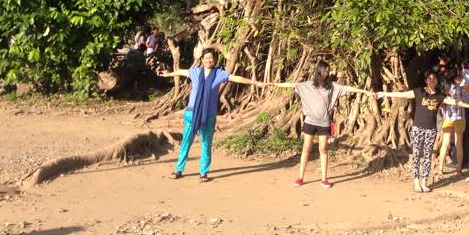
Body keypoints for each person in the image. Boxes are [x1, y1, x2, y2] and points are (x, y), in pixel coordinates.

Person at [259, 61, 374, 188]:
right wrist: (272, 84)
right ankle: (300, 177)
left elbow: (347, 88)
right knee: (306, 148)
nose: (327, 73)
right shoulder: (307, 85)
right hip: (310, 122)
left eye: (328, 71)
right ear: (319, 71)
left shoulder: (332, 86)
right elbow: (291, 84)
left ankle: (324, 179)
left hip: (324, 123)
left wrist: (365, 92)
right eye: (325, 70)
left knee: (323, 149)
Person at [157, 47, 259, 182]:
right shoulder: (195, 72)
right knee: (186, 142)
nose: (208, 60)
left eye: (210, 58)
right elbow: (181, 71)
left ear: (215, 60)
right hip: (191, 113)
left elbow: (236, 78)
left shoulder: (219, 74)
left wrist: (254, 82)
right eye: (206, 58)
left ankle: (203, 172)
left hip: (208, 115)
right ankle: (179, 169)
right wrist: (168, 74)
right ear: (202, 60)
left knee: (206, 143)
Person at [379, 68, 469, 193]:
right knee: (416, 156)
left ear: (436, 81)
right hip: (417, 129)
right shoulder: (419, 92)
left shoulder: (439, 95)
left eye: (434, 78)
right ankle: (416, 182)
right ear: (426, 81)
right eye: (429, 78)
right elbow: (402, 94)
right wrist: (385, 94)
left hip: (431, 130)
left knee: (427, 156)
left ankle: (424, 182)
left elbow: (455, 102)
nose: (432, 80)